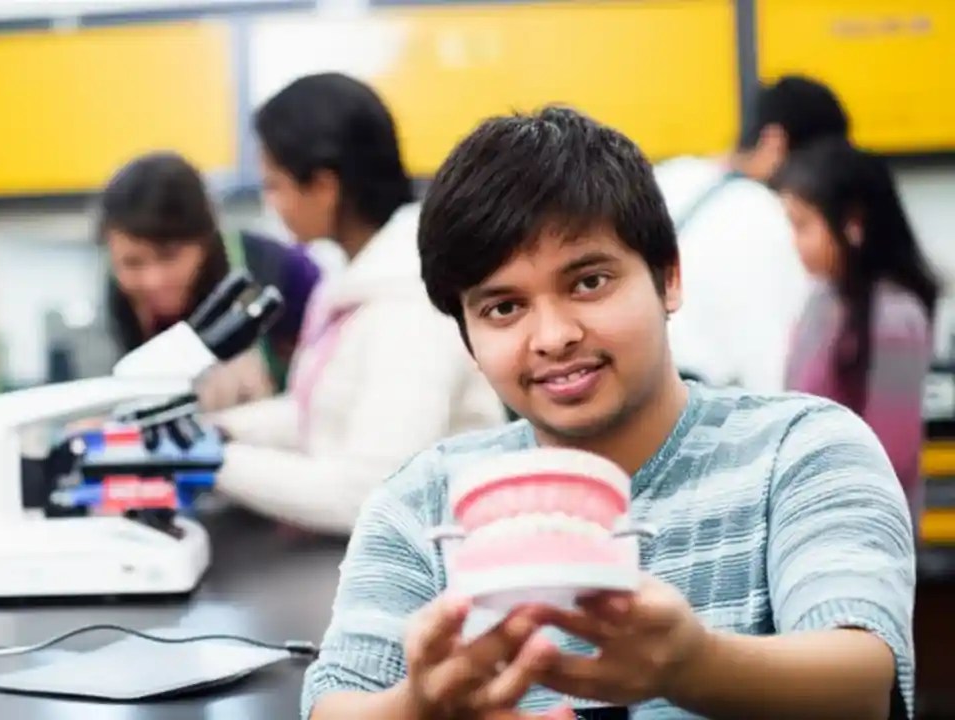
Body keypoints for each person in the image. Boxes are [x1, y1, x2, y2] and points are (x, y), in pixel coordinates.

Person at [303, 108, 914, 719]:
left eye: (589, 282)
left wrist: (695, 665)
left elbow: (863, 686)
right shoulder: (423, 500)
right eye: (503, 308)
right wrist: (421, 705)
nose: (553, 335)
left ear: (668, 277)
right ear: (466, 333)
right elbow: (336, 702)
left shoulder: (801, 450)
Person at [209, 73, 506, 535]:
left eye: (275, 185)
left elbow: (368, 492)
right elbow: (321, 413)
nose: (272, 204)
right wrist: (220, 430)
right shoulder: (358, 283)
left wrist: (213, 462)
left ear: (325, 186)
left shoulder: (412, 305)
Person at [49, 151, 320, 411]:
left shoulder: (284, 273)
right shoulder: (106, 317)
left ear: (205, 241)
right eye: (132, 263)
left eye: (168, 256)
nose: (153, 280)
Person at [773, 137, 940, 530]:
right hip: (812, 516)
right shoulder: (822, 297)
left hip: (860, 529)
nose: (794, 243)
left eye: (803, 226)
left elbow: (893, 457)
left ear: (852, 222)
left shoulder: (895, 317)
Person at [656, 75, 850, 391]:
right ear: (775, 143)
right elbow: (772, 362)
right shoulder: (773, 217)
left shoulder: (667, 178)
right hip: (716, 414)